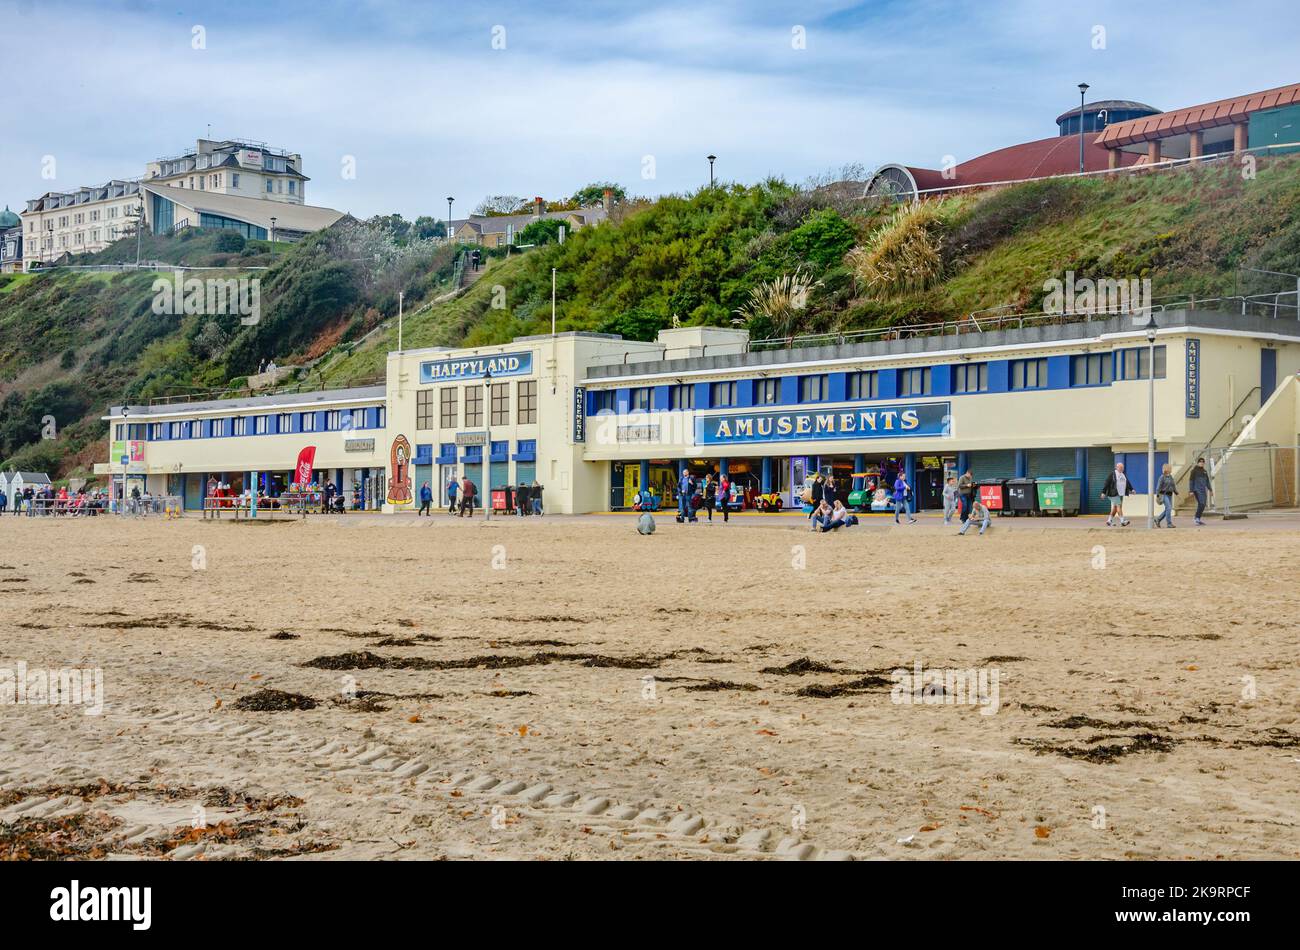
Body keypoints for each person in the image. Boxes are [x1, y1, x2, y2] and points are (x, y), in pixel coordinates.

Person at [1101, 462, 1135, 527]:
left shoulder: (1123, 475)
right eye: (1120, 467)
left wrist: (1132, 489)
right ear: (1116, 467)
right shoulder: (1113, 474)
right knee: (1119, 506)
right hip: (1114, 493)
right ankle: (1122, 521)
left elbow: (1127, 483)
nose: (1122, 468)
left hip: (1121, 494)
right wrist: (1103, 492)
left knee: (1115, 508)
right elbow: (1106, 483)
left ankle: (1109, 521)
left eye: (1122, 467)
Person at [1189, 456, 1213, 525]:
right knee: (1201, 503)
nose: (1202, 463)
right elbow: (1191, 481)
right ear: (1197, 463)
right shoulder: (1194, 471)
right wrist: (1191, 490)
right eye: (1200, 462)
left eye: (1203, 462)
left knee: (1203, 504)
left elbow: (1207, 481)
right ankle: (1196, 518)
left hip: (1203, 490)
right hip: (1197, 490)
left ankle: (1198, 518)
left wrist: (1210, 490)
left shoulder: (1205, 471)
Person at [1155, 463, 1178, 528]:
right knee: (1169, 508)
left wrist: (1176, 492)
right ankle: (1169, 523)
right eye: (1170, 468)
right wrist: (1157, 495)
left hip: (1170, 495)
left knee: (1168, 509)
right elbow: (1158, 487)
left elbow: (1173, 485)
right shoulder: (1162, 477)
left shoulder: (1170, 477)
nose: (1171, 469)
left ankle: (1158, 519)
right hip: (1163, 494)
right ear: (1167, 469)